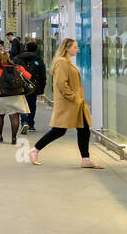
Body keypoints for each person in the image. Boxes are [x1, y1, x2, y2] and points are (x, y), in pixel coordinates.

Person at [30, 38, 103, 168]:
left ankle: (85, 159)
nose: (78, 49)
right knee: (59, 130)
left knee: (84, 128)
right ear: (66, 48)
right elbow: (61, 84)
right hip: (69, 103)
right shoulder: (62, 62)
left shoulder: (67, 62)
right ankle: (35, 149)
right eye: (75, 47)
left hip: (75, 103)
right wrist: (74, 97)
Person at [0, 50, 31, 144]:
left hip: (1, 96)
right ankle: (14, 138)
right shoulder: (18, 68)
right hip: (16, 95)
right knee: (14, 117)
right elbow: (29, 76)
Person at [14, 40, 46, 134]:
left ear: (26, 48)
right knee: (32, 104)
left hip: (20, 85)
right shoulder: (38, 59)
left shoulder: (17, 58)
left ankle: (24, 121)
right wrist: (42, 88)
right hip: (33, 85)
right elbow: (43, 75)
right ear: (36, 50)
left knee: (22, 104)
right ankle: (31, 124)